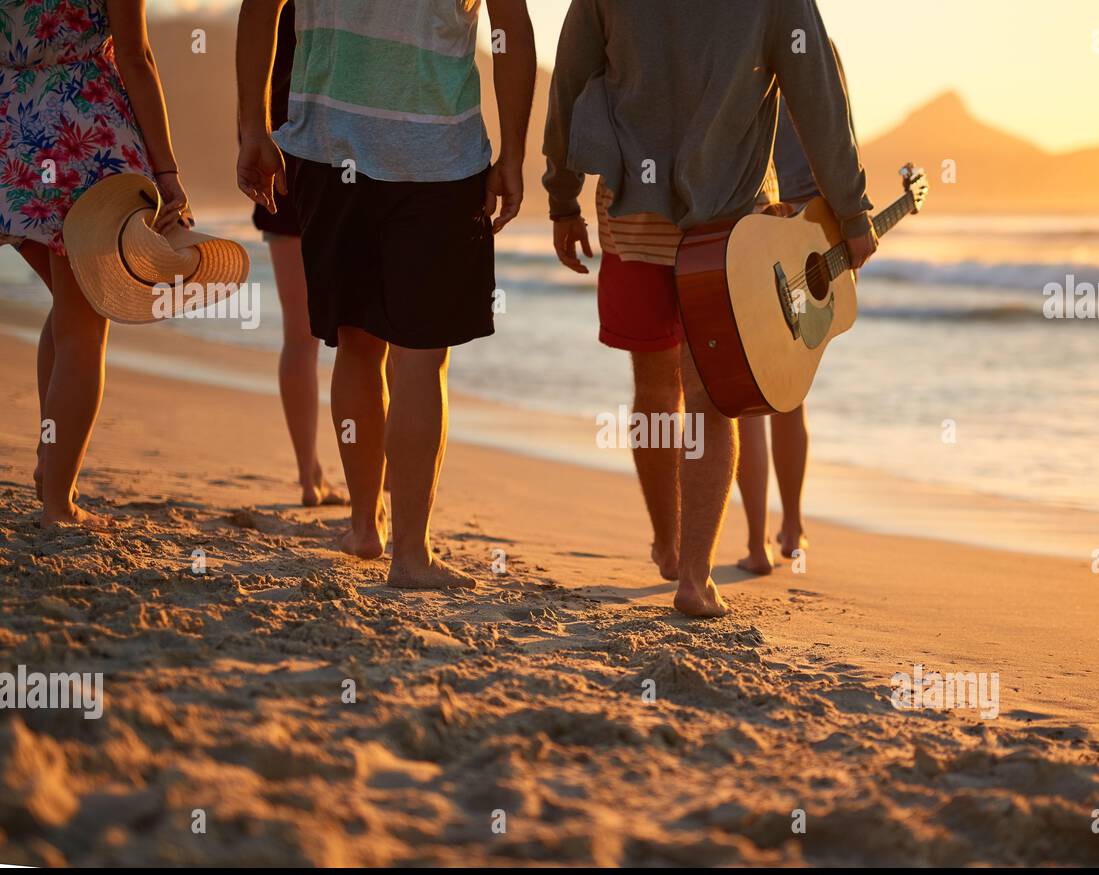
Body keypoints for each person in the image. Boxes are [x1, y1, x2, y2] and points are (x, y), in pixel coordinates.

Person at [543, 0, 877, 617]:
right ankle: (694, 578)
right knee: (710, 398)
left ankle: (669, 546)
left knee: (653, 389)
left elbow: (569, 79)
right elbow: (817, 97)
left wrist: (562, 196)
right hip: (731, 226)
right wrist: (852, 212)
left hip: (634, 211)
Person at [236, 0, 536, 589]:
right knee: (422, 357)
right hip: (437, 157)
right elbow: (512, 27)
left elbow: (260, 8)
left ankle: (363, 527)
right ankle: (411, 554)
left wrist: (252, 128)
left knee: (356, 342)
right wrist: (515, 156)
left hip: (329, 149)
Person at [1, 0, 192, 528]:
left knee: (71, 310)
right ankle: (59, 504)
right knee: (85, 325)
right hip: (80, 130)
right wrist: (167, 172)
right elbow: (135, 55)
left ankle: (51, 461)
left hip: (13, 128)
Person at [737, 69, 856, 575]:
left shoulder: (738, 36)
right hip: (810, 228)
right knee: (789, 389)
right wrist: (852, 220)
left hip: (749, 220)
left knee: (748, 393)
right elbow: (839, 141)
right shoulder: (818, 47)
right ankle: (791, 527)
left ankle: (757, 544)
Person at [246, 0, 345, 508]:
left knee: (300, 336)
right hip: (351, 157)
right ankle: (382, 473)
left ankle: (309, 475)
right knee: (373, 334)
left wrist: (251, 135)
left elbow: (253, 60)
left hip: (285, 151)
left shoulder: (277, 10)